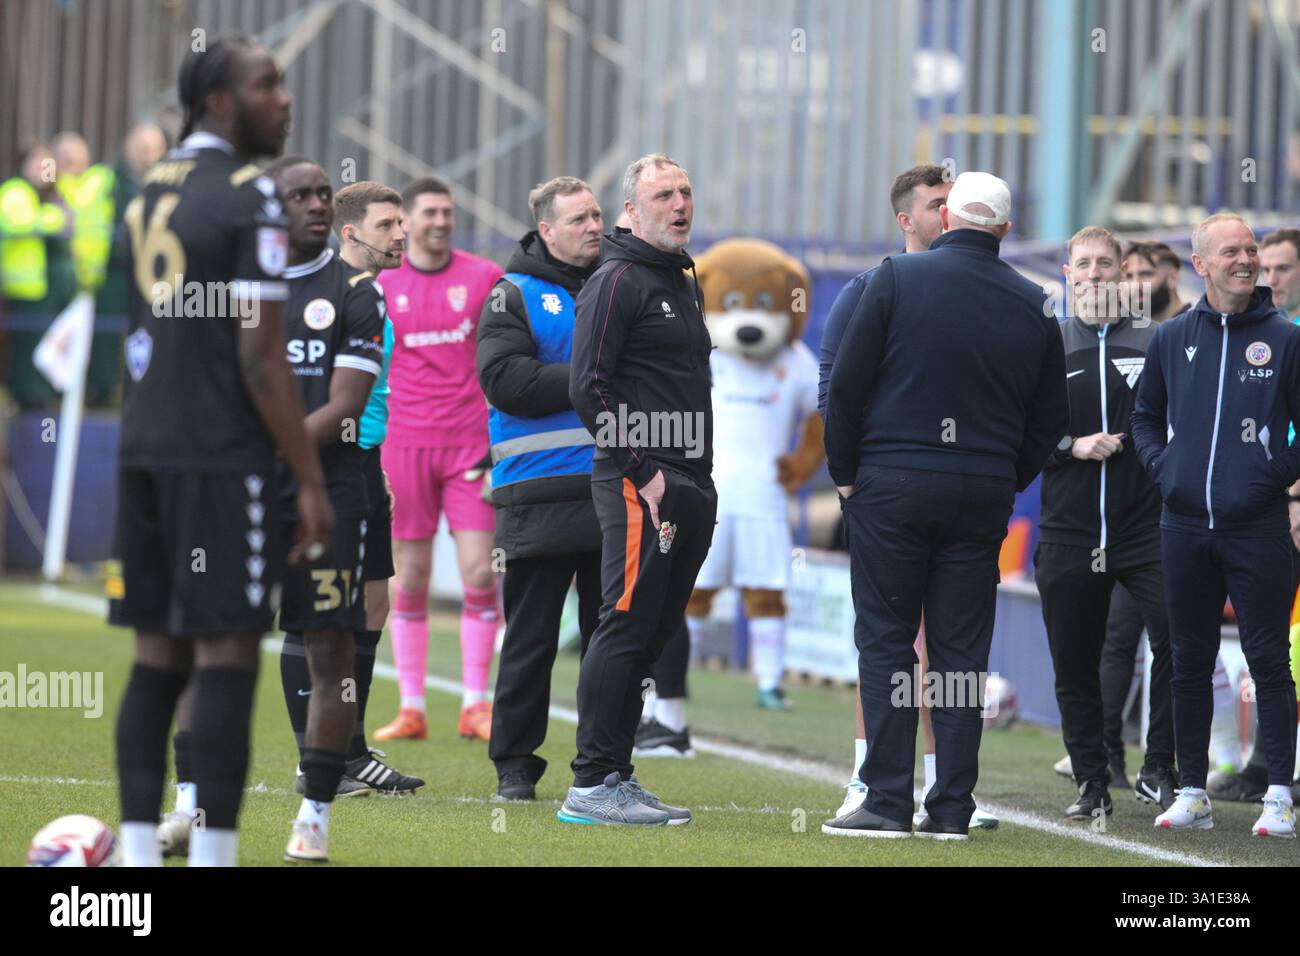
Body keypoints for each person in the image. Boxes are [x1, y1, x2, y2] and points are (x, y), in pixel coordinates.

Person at [109, 35, 332, 867]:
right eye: (267, 85)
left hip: (142, 450)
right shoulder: (250, 198)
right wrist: (306, 478)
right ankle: (214, 857)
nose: (285, 98)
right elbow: (259, 354)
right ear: (218, 103)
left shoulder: (145, 191)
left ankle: (136, 860)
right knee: (229, 651)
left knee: (155, 656)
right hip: (218, 458)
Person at [823, 171, 1068, 839]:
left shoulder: (894, 281)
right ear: (1005, 232)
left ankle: (887, 801)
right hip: (981, 491)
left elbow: (844, 388)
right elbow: (1051, 416)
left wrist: (847, 477)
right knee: (961, 655)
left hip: (892, 482)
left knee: (887, 643)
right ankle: (951, 808)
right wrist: (1003, 476)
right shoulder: (1034, 302)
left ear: (950, 219)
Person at [814, 164, 996, 830]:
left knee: (942, 649)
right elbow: (836, 388)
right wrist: (849, 478)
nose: (950, 212)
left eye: (956, 202)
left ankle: (938, 797)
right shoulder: (872, 287)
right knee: (893, 645)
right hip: (890, 491)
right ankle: (873, 781)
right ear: (907, 220)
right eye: (938, 203)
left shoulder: (997, 294)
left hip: (952, 497)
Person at [1132, 212, 1299, 837]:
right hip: (1182, 526)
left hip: (1256, 527)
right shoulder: (1173, 337)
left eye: (1251, 249)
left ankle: (1278, 794)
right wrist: (1163, 468)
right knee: (1188, 659)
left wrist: (1267, 476)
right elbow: (1145, 417)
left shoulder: (1284, 339)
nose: (1246, 259)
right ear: (1200, 264)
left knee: (1268, 662)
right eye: (1231, 251)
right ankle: (1192, 789)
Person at [561, 153, 715, 826]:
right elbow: (587, 386)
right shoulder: (617, 279)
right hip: (639, 480)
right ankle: (592, 783)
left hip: (691, 480)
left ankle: (619, 772)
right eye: (663, 195)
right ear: (631, 210)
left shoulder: (680, 279)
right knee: (623, 623)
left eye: (685, 190)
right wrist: (644, 472)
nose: (680, 203)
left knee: (651, 632)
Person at [1035, 225, 1176, 822]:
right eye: (1082, 264)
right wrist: (1071, 445)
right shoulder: (1044, 345)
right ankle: (1093, 780)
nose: (1093, 274)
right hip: (1068, 533)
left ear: (1122, 272)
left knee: (1178, 643)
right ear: (1067, 273)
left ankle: (1163, 769)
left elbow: (1187, 428)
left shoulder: (1158, 341)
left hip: (1148, 531)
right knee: (1076, 661)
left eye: (1104, 264)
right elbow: (1019, 436)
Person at [477, 176, 604, 801]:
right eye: (578, 218)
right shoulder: (513, 294)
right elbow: (507, 382)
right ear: (546, 231)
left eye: (597, 215)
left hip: (614, 487)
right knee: (532, 636)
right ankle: (516, 766)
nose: (592, 226)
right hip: (538, 491)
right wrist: (595, 377)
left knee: (614, 639)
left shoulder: (621, 284)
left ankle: (604, 767)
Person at [374, 177, 503, 743]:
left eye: (448, 212)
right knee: (411, 579)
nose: (441, 221)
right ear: (407, 222)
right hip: (403, 444)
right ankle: (412, 707)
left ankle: (476, 703)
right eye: (429, 212)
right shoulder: (381, 283)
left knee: (479, 570)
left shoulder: (483, 277)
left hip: (469, 445)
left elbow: (505, 357)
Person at [335, 180, 423, 795]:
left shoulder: (377, 295)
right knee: (321, 614)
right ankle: (322, 758)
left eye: (401, 223)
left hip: (367, 462)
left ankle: (353, 749)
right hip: (333, 463)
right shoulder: (332, 294)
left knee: (372, 603)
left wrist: (377, 461)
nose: (402, 234)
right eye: (389, 224)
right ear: (351, 232)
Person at [0, 141, 75, 408]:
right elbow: (18, 223)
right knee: (27, 349)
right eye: (38, 164)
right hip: (25, 287)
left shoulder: (54, 194)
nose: (43, 170)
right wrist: (54, 219)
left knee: (47, 346)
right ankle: (27, 400)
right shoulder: (17, 191)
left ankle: (42, 397)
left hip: (49, 288)